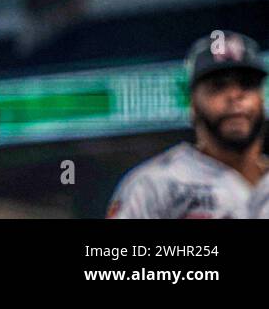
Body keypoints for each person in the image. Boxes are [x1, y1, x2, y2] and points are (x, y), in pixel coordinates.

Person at [107, 31, 268, 218]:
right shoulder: (154, 184)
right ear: (192, 104)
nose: (234, 96)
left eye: (246, 84)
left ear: (261, 98)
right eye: (218, 86)